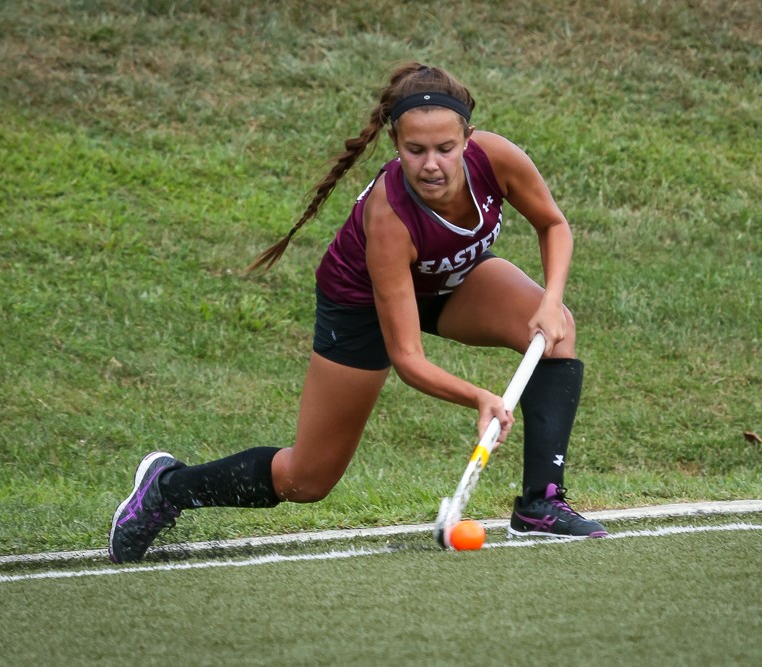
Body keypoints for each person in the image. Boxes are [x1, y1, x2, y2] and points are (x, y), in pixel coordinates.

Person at [108, 62, 607, 564]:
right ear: (395, 143)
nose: (431, 165)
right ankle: (168, 489)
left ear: (468, 138)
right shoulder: (389, 217)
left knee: (558, 330)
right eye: (415, 150)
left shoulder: (495, 158)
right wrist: (478, 397)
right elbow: (408, 359)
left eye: (445, 148)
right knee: (307, 480)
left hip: (450, 278)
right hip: (361, 303)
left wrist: (550, 302)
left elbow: (553, 224)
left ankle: (541, 505)